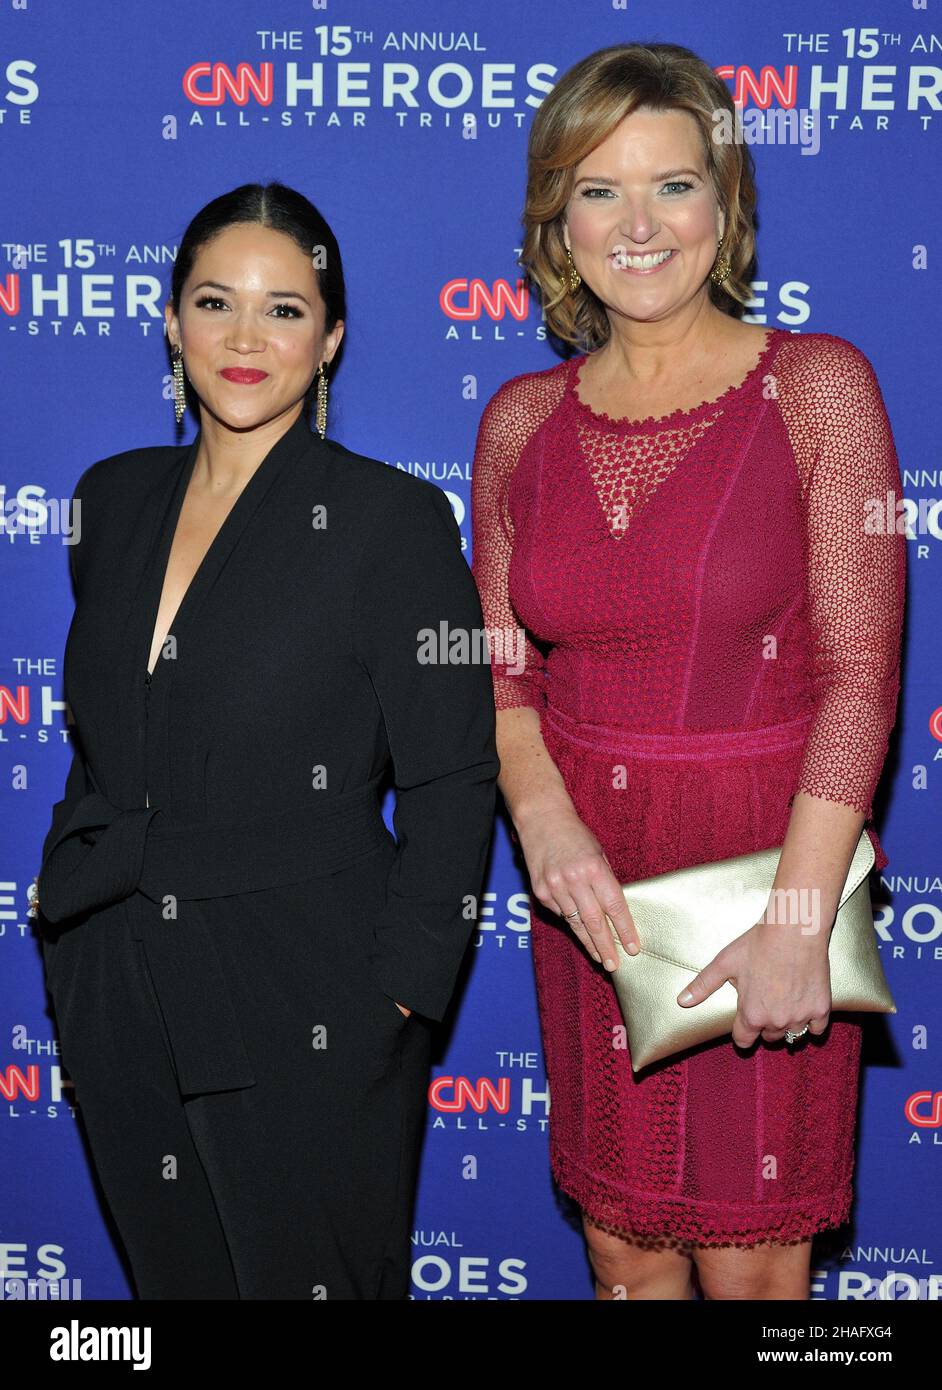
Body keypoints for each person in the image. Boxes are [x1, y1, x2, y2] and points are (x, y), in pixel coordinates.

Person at [470, 43, 906, 1301]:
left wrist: (798, 919)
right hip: (597, 893)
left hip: (760, 870)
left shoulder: (820, 388)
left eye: (674, 185)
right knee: (622, 1247)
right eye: (599, 189)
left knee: (755, 1262)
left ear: (727, 207)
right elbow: (501, 668)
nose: (638, 222)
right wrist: (542, 820)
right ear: (558, 218)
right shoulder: (518, 423)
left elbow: (863, 677)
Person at [36, 181, 499, 1300]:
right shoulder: (111, 498)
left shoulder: (392, 523)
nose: (246, 338)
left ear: (331, 337)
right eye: (214, 301)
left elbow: (453, 779)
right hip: (119, 978)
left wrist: (393, 996)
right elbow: (106, 740)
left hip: (311, 991)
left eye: (285, 309)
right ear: (170, 321)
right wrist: (70, 909)